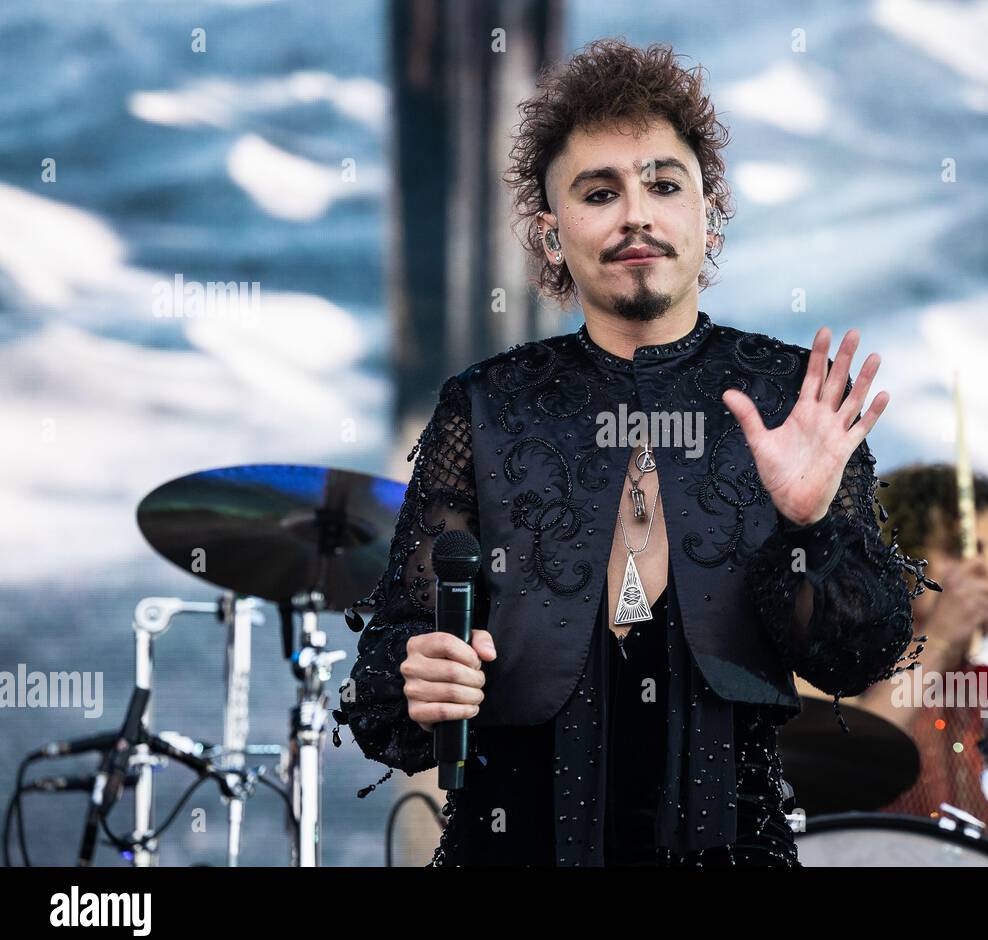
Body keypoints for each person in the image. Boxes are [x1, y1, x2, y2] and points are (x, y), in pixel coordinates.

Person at [333, 38, 933, 867]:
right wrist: (416, 676)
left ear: (708, 212)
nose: (636, 214)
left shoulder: (792, 396)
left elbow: (858, 657)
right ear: (550, 234)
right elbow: (383, 688)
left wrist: (809, 527)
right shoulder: (487, 404)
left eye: (663, 184)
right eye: (599, 192)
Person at [797, 463, 988, 844]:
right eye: (962, 548)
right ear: (897, 556)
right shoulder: (833, 669)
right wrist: (935, 641)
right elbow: (840, 765)